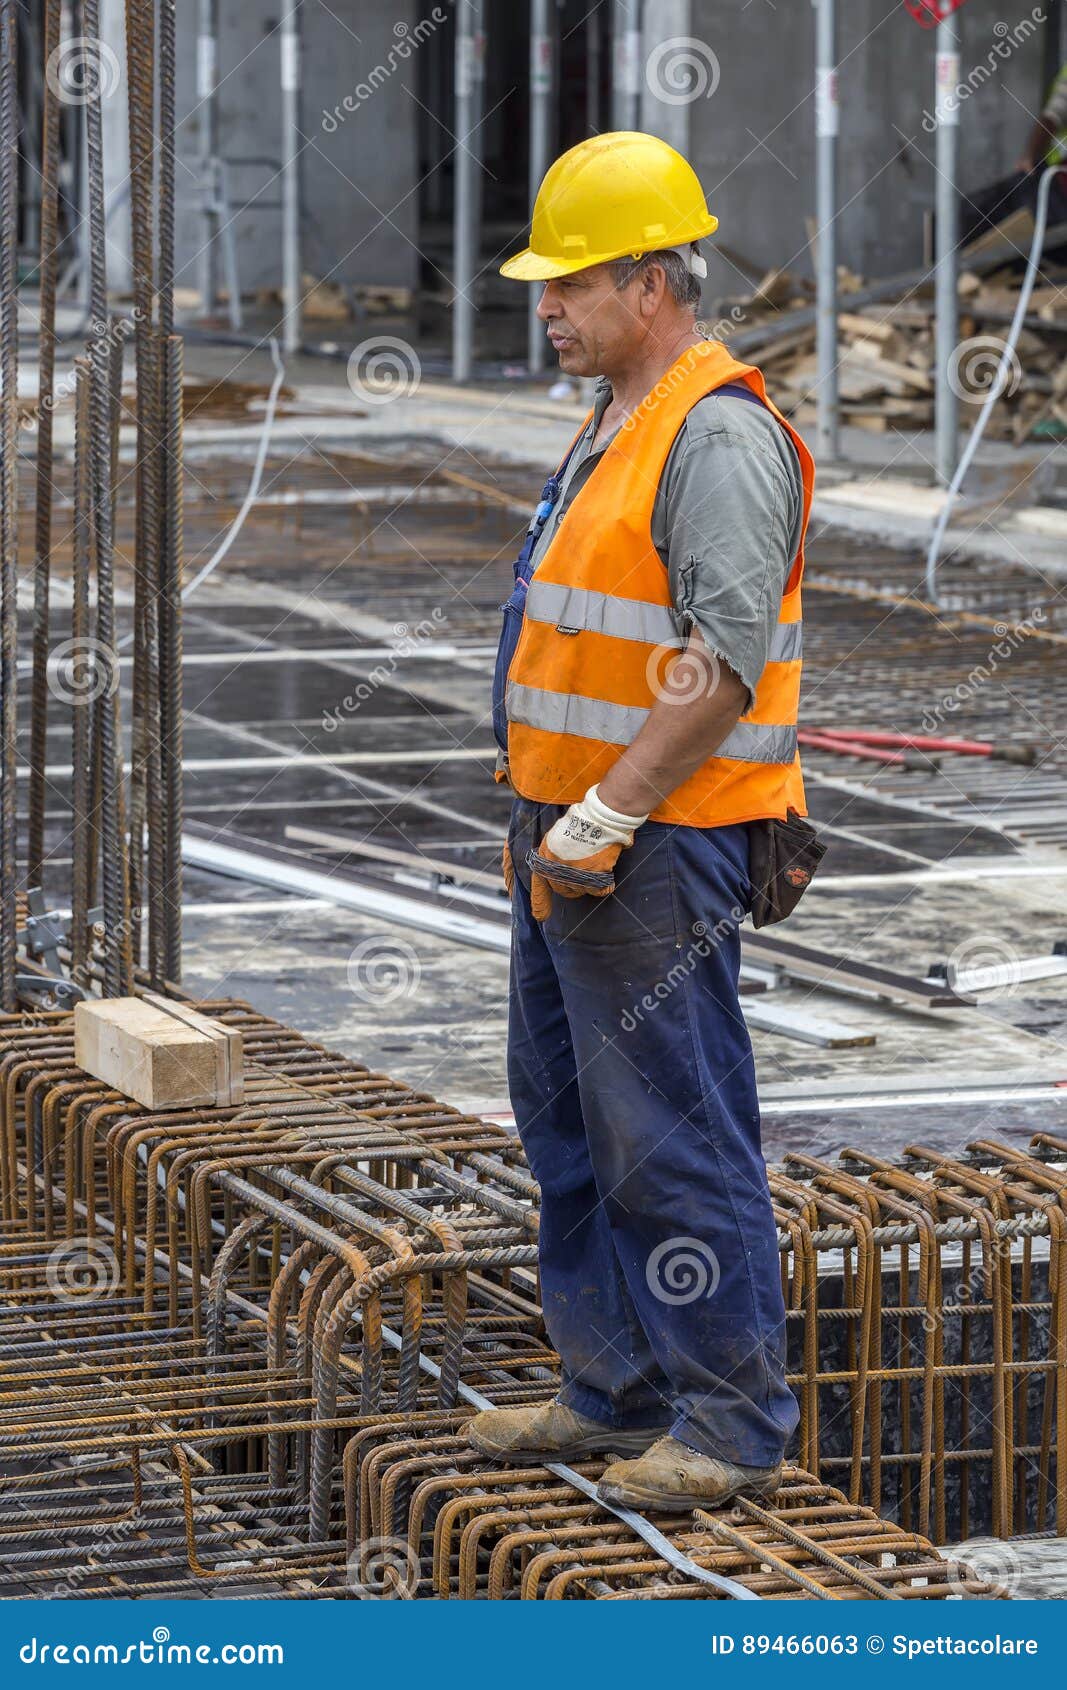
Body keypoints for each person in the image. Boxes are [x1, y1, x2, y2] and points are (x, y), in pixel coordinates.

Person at [465, 132, 814, 1511]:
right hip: (567, 835)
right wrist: (554, 812)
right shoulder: (614, 412)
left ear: (647, 284)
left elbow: (720, 666)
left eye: (568, 285)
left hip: (645, 846)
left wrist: (606, 812)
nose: (543, 307)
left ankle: (729, 1421)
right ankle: (612, 1388)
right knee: (565, 1121)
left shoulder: (713, 431)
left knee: (669, 1130)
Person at [959, 61, 1067, 247]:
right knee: (972, 219)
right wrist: (1030, 155)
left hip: (1056, 197)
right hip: (1050, 182)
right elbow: (1054, 113)